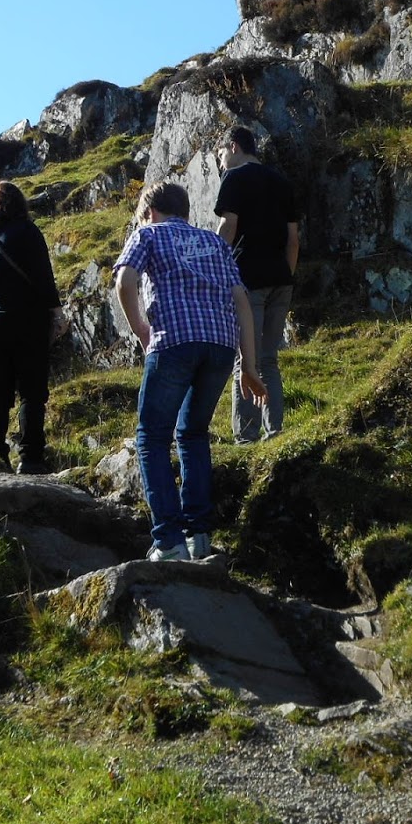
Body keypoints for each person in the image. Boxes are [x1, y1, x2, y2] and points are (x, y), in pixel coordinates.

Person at [115, 182, 266, 561]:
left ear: (150, 212)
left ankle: (169, 541)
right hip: (220, 345)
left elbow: (125, 281)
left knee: (152, 437)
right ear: (185, 210)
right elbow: (241, 302)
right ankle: (199, 535)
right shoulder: (214, 243)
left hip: (174, 340)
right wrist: (248, 365)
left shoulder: (148, 234)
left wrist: (142, 331)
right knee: (193, 434)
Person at [0, 181, 65, 474]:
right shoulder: (28, 232)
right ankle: (31, 458)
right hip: (28, 319)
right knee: (32, 392)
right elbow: (44, 276)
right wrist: (56, 312)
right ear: (20, 204)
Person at [213, 126, 300, 443]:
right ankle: (274, 431)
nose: (221, 162)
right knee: (268, 360)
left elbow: (228, 225)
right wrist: (286, 276)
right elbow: (293, 239)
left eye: (221, 154)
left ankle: (246, 436)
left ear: (233, 147)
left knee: (245, 360)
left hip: (247, 279)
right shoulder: (281, 182)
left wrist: (215, 269)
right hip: (281, 280)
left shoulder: (234, 178)